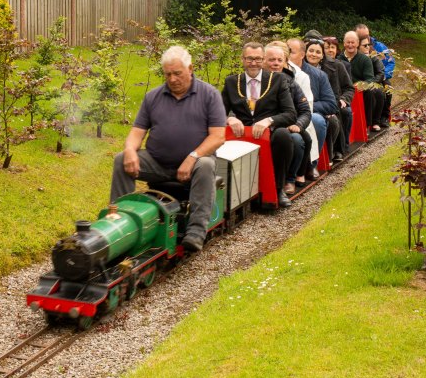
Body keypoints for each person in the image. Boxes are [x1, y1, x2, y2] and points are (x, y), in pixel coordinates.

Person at [111, 45, 227, 252]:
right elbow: (137, 132)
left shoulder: (210, 95)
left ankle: (196, 231)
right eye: (168, 74)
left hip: (194, 165)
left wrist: (192, 157)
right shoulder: (152, 97)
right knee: (121, 159)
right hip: (157, 163)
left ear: (190, 68)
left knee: (207, 164)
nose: (172, 79)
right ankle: (119, 221)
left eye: (177, 73)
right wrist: (129, 150)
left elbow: (218, 137)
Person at [221, 42, 297, 207]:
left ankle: (278, 189)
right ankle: (231, 193)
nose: (253, 63)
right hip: (241, 134)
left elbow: (291, 114)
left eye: (257, 59)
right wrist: (229, 119)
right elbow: (217, 113)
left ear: (263, 60)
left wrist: (269, 121)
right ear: (243, 59)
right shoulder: (231, 82)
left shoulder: (277, 80)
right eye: (249, 59)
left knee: (284, 136)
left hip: (269, 132)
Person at [264, 44, 314, 193]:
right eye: (271, 60)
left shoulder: (292, 83)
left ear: (285, 62)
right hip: (267, 125)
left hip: (288, 126)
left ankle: (290, 178)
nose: (276, 64)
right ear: (264, 61)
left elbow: (305, 110)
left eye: (279, 60)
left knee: (300, 139)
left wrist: (298, 124)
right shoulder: (258, 82)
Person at [303, 38, 348, 162]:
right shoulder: (298, 70)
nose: (313, 54)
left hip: (329, 105)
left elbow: (334, 95)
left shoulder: (330, 69)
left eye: (318, 52)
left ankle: (331, 151)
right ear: (305, 52)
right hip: (307, 108)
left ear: (322, 55)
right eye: (311, 51)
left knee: (334, 121)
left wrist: (341, 100)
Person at [340, 30, 386, 131]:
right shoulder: (339, 59)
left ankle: (366, 124)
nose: (350, 45)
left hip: (360, 88)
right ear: (344, 43)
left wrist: (360, 86)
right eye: (348, 42)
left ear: (357, 43)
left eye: (353, 42)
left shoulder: (365, 60)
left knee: (370, 92)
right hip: (345, 89)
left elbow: (369, 79)